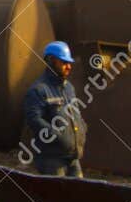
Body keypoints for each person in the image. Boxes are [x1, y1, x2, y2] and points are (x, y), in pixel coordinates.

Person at [22, 41, 86, 177]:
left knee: (79, 195)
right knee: (57, 195)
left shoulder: (69, 88)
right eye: (63, 62)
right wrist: (56, 135)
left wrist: (82, 128)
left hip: (73, 157)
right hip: (52, 160)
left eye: (69, 63)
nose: (68, 67)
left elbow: (76, 114)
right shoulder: (38, 90)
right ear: (51, 61)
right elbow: (34, 120)